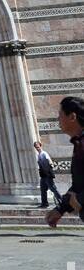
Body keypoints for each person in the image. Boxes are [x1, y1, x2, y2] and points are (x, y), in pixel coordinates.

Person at [46, 96, 84, 229]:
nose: (58, 119)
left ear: (72, 117)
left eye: (60, 115)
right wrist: (60, 209)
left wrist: (79, 200)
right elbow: (78, 185)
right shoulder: (79, 143)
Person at [34, 139, 63, 209]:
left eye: (38, 147)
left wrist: (49, 172)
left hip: (47, 175)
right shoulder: (38, 155)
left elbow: (50, 162)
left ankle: (62, 202)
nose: (37, 148)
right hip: (43, 176)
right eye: (36, 147)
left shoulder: (44, 153)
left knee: (53, 189)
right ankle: (44, 203)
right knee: (43, 190)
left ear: (41, 146)